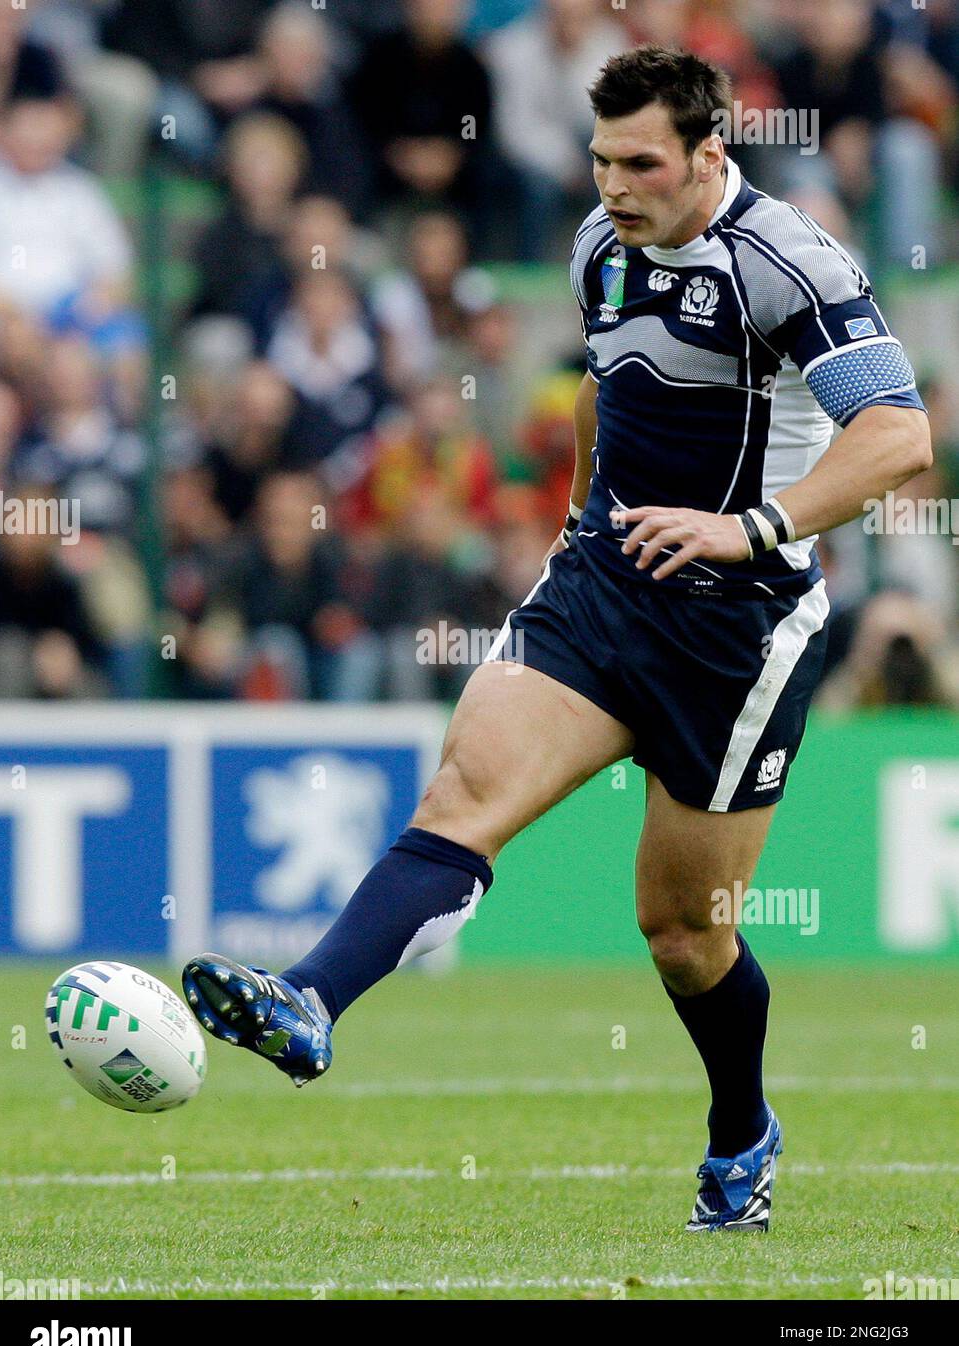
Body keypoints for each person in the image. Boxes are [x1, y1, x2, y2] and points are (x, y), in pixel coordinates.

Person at [182, 45, 932, 1233]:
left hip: (741, 629)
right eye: (599, 161)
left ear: (708, 157)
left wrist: (751, 528)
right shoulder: (599, 242)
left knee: (684, 933)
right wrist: (579, 521)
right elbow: (604, 388)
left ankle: (741, 1130)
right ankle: (312, 999)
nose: (616, 186)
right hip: (600, 586)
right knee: (463, 791)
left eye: (642, 163)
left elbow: (897, 436)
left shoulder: (788, 262)